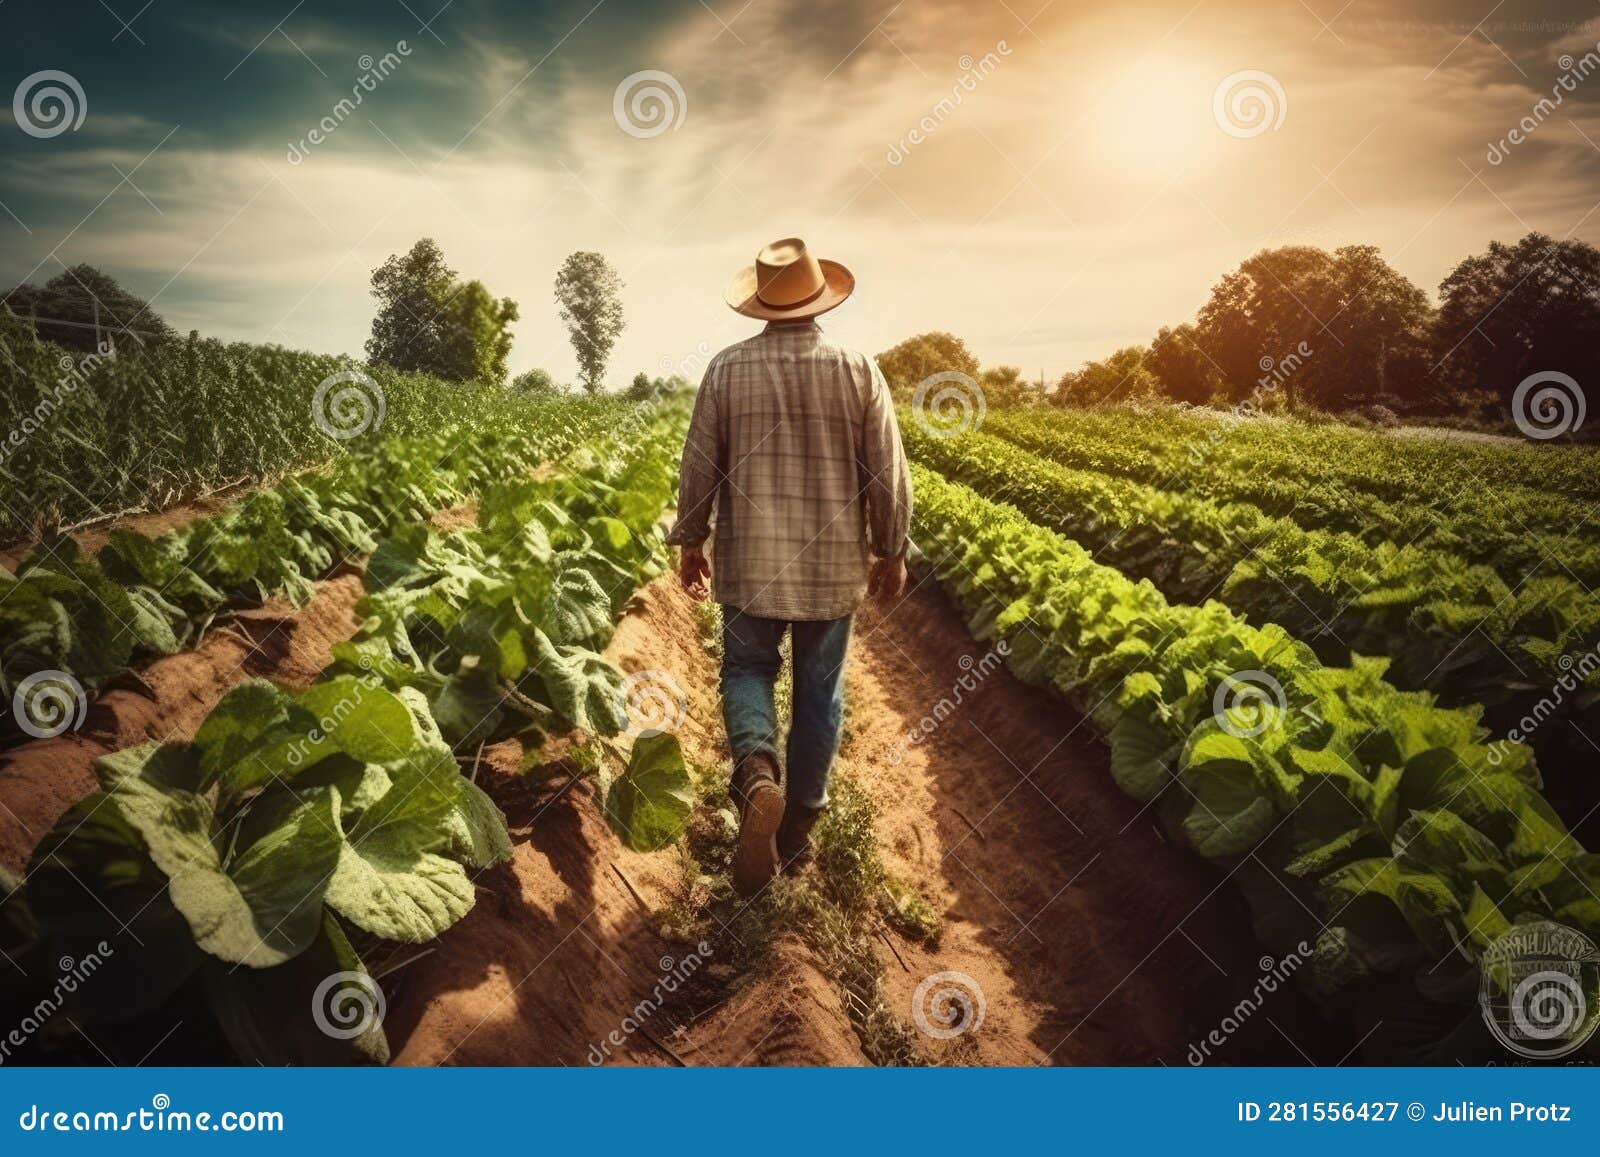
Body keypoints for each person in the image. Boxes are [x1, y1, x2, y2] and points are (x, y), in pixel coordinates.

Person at [666, 237, 913, 896]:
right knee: (819, 691)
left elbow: (699, 463)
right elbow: (887, 470)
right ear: (819, 300)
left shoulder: (726, 369)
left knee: (747, 668)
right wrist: (892, 547)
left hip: (750, 560)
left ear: (763, 305)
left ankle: (757, 776)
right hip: (831, 569)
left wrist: (690, 539)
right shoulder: (859, 370)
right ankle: (799, 829)